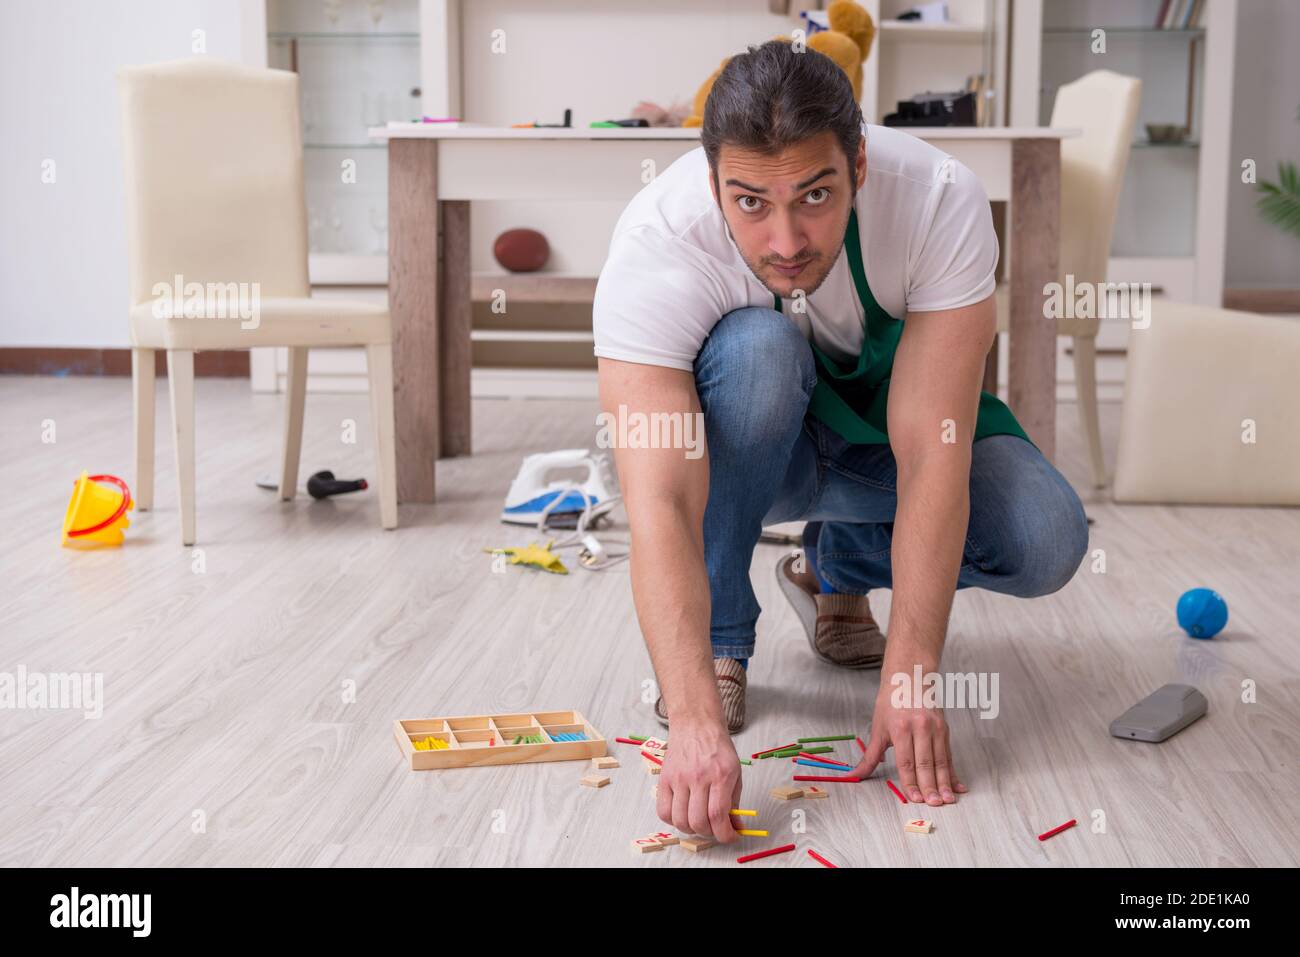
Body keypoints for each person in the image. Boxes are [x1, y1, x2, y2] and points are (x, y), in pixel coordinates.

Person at [592, 40, 1089, 845]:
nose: (786, 239)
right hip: (752, 454)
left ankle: (835, 566)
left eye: (816, 194)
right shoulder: (659, 239)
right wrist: (688, 719)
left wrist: (911, 669)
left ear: (858, 160)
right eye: (749, 202)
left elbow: (932, 455)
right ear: (710, 174)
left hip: (886, 441)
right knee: (758, 352)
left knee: (1048, 536)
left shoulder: (936, 199)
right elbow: (662, 503)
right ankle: (726, 638)